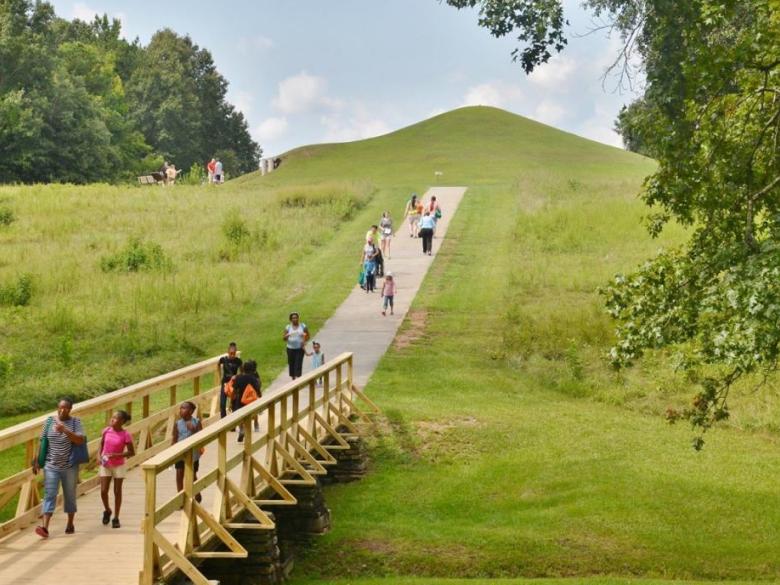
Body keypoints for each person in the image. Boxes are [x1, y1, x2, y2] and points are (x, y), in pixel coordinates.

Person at [33, 398, 86, 538]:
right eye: (61, 407)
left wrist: (65, 430)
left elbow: (80, 440)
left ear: (71, 409)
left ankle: (70, 523)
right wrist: (37, 459)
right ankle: (45, 527)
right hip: (51, 465)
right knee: (49, 495)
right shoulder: (49, 421)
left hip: (70, 466)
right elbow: (42, 441)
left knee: (70, 495)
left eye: (66, 408)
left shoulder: (76, 422)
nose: (63, 410)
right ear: (57, 407)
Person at [98, 410, 135, 529]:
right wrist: (99, 456)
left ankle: (116, 517)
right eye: (112, 417)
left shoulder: (126, 434)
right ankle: (108, 510)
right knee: (103, 490)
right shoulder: (106, 431)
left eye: (115, 418)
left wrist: (117, 455)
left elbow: (131, 452)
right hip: (105, 463)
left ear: (122, 421)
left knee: (117, 491)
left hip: (119, 464)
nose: (112, 420)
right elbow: (101, 445)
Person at [173, 401, 203, 502]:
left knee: (192, 475)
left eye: (184, 408)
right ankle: (180, 500)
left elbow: (202, 437)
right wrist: (171, 452)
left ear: (190, 411)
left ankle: (197, 493)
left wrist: (194, 430)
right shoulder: (177, 423)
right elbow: (174, 439)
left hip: (193, 454)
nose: (181, 410)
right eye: (180, 408)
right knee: (179, 474)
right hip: (180, 453)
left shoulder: (197, 422)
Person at [231, 361, 261, 442]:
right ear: (252, 370)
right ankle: (255, 425)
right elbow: (257, 389)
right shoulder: (253, 378)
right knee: (252, 413)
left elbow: (234, 390)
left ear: (243, 369)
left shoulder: (239, 378)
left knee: (241, 416)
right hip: (251, 401)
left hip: (240, 401)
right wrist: (260, 396)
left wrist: (232, 399)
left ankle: (241, 429)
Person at [218, 342, 243, 418]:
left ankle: (233, 423)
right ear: (228, 352)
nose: (232, 355)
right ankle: (223, 421)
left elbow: (242, 372)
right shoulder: (223, 360)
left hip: (233, 384)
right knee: (222, 403)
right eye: (231, 353)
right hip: (225, 383)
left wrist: (236, 376)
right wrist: (219, 377)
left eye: (234, 353)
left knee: (234, 403)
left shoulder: (238, 361)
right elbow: (218, 365)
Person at [284, 312, 309, 379]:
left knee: (298, 364)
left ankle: (298, 379)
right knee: (291, 363)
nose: (295, 319)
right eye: (293, 318)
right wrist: (287, 335)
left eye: (296, 317)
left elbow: (308, 335)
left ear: (298, 318)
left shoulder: (303, 326)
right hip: (290, 349)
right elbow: (284, 339)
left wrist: (304, 340)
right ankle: (293, 378)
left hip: (299, 349)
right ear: (291, 319)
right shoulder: (288, 327)